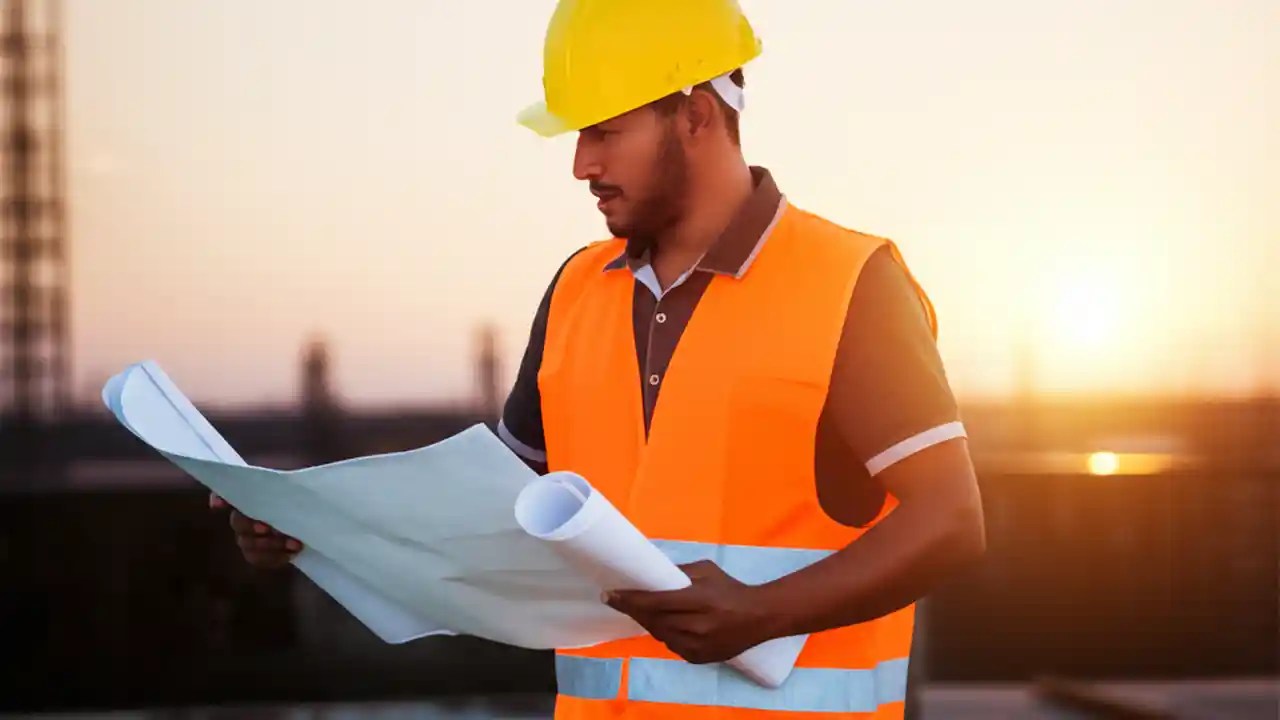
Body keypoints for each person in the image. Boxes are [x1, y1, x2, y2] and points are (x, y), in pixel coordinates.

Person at [216, 1, 985, 717]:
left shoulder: (850, 283)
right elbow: (485, 512)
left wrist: (763, 613)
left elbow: (950, 520)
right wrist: (312, 524)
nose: (581, 164)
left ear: (697, 115)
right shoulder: (577, 291)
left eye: (604, 131)